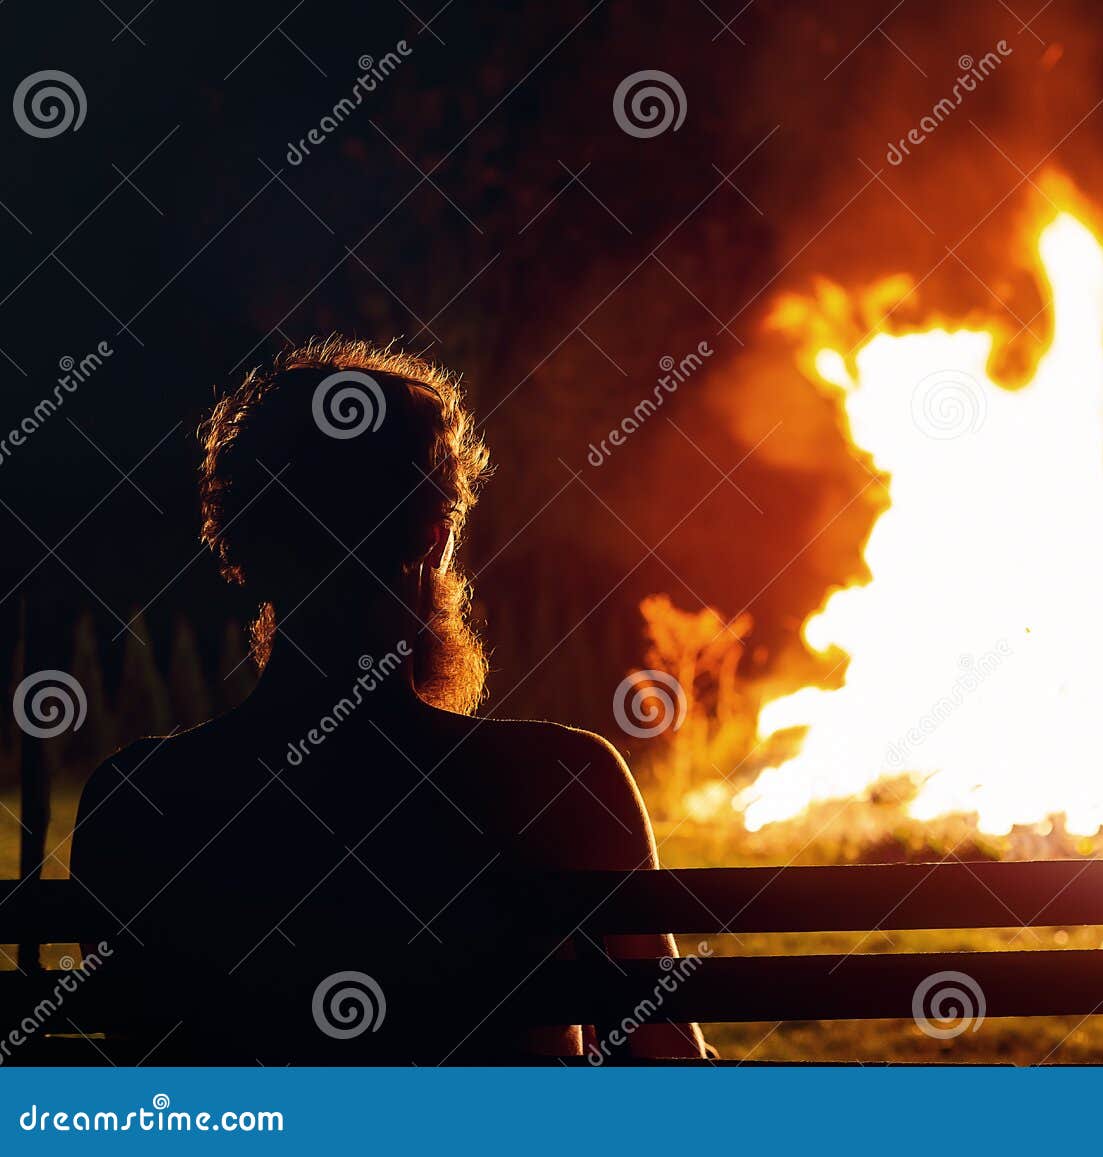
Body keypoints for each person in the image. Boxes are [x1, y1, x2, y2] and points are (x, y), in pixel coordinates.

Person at [70, 337, 706, 1063]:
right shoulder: (565, 781)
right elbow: (669, 1066)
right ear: (435, 542)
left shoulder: (135, 803)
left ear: (241, 549)